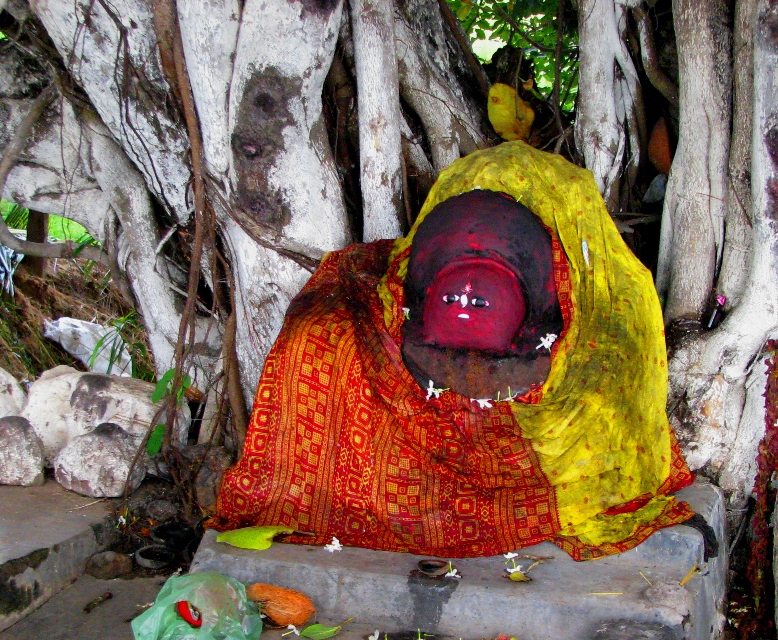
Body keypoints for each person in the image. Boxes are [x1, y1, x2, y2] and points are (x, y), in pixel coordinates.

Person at [212, 142, 695, 560]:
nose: (465, 299)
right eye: (456, 297)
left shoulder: (595, 303)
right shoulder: (395, 296)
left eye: (479, 299)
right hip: (442, 294)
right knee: (318, 337)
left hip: (526, 308)